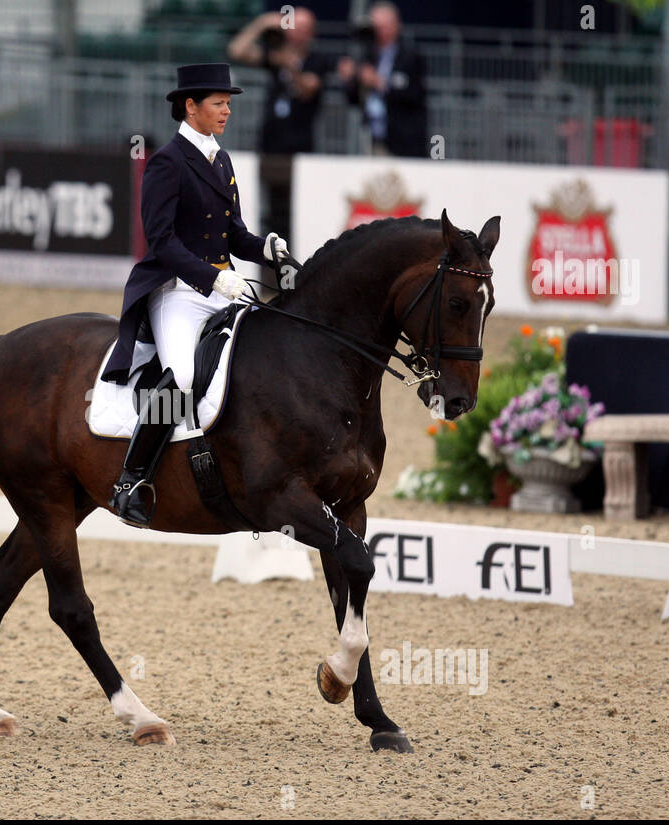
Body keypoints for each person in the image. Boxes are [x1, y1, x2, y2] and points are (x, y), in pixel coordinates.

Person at [102, 63, 291, 528]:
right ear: (191, 106)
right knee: (184, 377)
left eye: (229, 103)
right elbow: (161, 241)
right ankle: (131, 481)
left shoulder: (221, 160)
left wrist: (264, 249)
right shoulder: (168, 162)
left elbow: (234, 235)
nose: (227, 111)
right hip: (178, 292)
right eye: (219, 103)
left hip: (222, 286)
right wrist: (212, 277)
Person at [227, 7, 334, 241]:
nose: (297, 34)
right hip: (270, 143)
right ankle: (271, 256)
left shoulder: (318, 60)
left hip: (300, 147)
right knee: (271, 205)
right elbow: (237, 50)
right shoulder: (275, 56)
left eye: (303, 29)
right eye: (294, 27)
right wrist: (262, 24)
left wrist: (290, 66)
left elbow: (309, 89)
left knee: (297, 207)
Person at [342, 1, 427, 157]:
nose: (378, 32)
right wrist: (351, 79)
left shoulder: (410, 56)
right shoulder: (368, 55)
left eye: (382, 27)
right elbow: (353, 98)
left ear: (395, 25)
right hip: (373, 138)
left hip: (404, 141)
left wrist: (379, 83)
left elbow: (414, 95)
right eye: (376, 27)